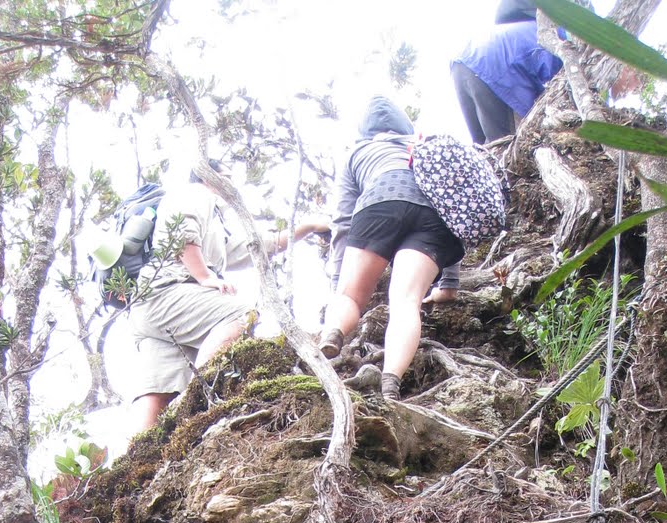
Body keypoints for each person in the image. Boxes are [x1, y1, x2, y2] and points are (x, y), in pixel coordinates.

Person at [129, 175, 328, 435]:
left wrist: (309, 226)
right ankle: (195, 401)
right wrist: (204, 276)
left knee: (159, 387)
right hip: (170, 290)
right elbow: (181, 229)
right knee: (240, 315)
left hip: (151, 305)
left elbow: (254, 247)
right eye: (228, 178)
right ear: (212, 175)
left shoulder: (215, 223)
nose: (233, 184)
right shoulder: (196, 192)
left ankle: (137, 463)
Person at [319, 97, 465, 402]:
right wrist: (449, 283)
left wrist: (338, 287)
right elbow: (456, 210)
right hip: (432, 216)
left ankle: (333, 334)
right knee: (406, 302)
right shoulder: (425, 146)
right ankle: (391, 384)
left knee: (350, 297)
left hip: (381, 200)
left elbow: (343, 223)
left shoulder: (357, 153)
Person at [451, 2, 564, 147]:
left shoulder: (523, 27)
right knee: (505, 148)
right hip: (490, 64)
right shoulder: (559, 39)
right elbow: (555, 89)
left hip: (462, 61)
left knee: (483, 148)